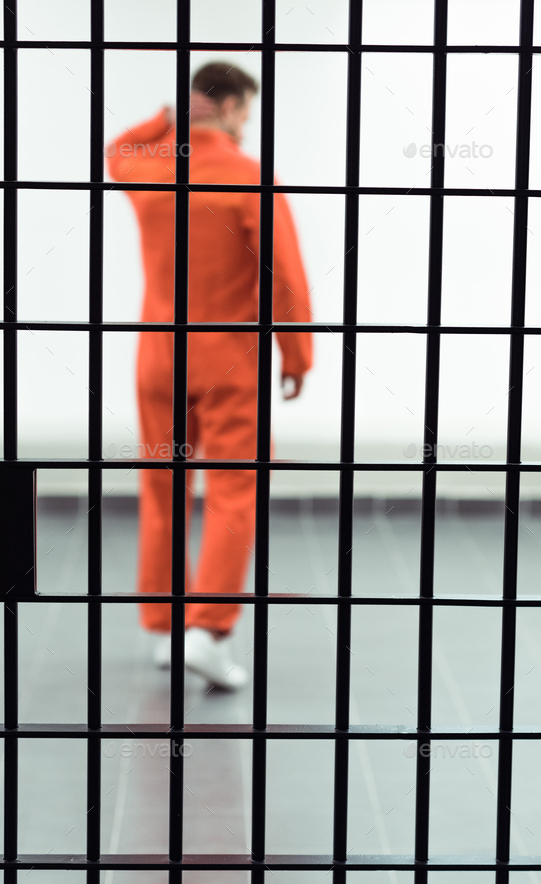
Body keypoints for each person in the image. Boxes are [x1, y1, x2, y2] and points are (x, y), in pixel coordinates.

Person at [106, 63, 313, 689]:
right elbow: (286, 278)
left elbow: (117, 149)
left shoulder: (150, 170)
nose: (246, 126)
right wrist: (297, 355)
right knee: (233, 491)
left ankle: (168, 628)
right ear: (225, 109)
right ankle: (208, 632)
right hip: (230, 363)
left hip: (158, 361)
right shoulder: (252, 179)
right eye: (244, 112)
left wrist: (170, 118)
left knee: (162, 488)